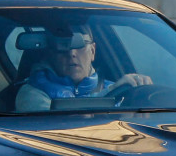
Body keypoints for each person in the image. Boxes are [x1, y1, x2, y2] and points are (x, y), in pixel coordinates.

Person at [16, 24, 151, 111]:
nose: (72, 53)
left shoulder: (118, 90)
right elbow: (60, 127)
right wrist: (109, 93)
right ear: (51, 55)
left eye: (80, 45)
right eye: (63, 47)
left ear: (92, 51)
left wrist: (143, 92)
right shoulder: (32, 93)